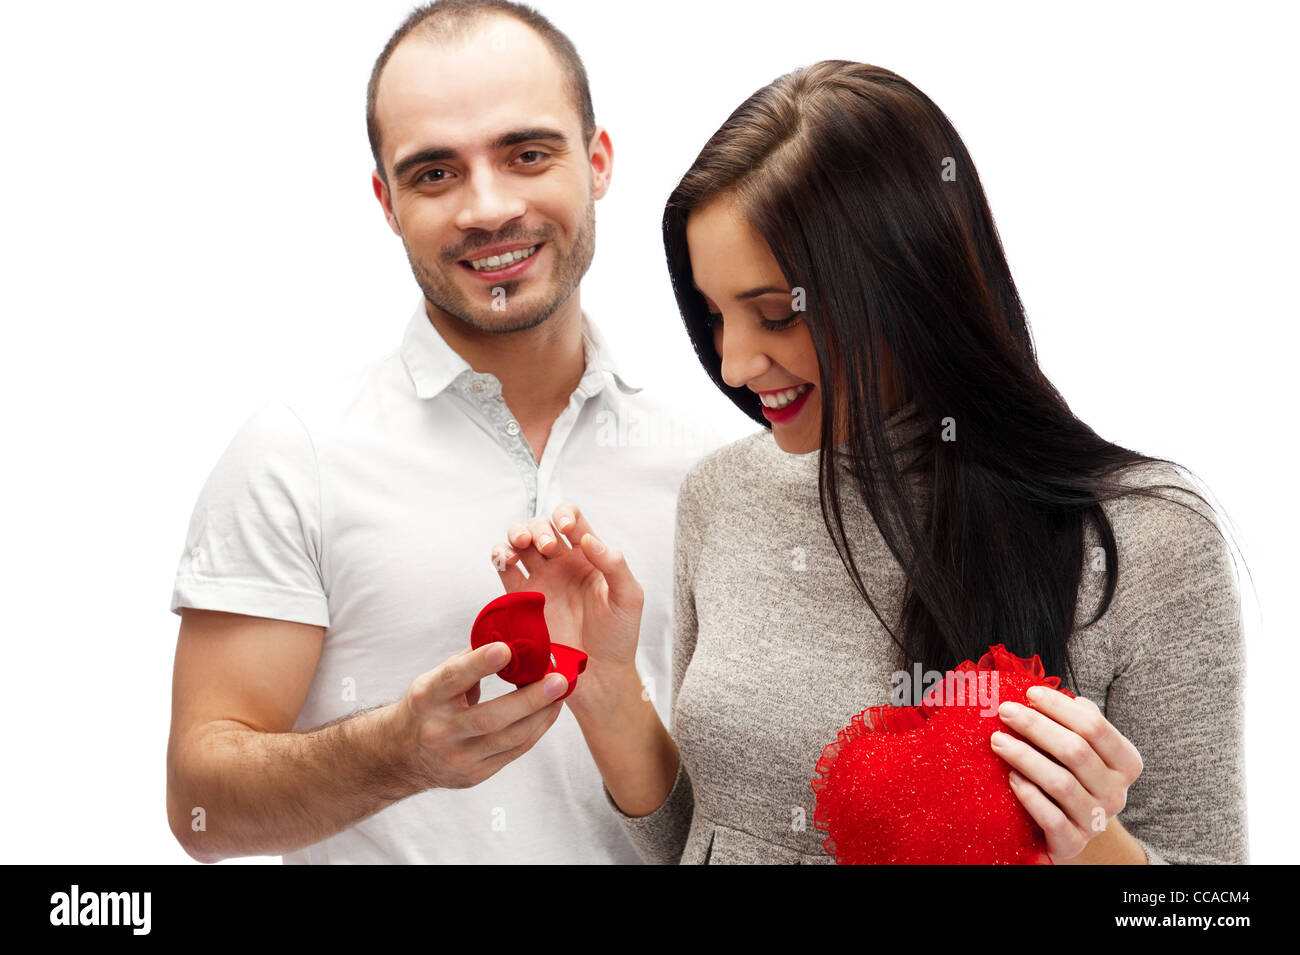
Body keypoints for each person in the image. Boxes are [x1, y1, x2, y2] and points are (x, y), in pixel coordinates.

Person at [491, 60, 1249, 864]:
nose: (737, 364)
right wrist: (608, 685)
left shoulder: (1146, 542)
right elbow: (704, 840)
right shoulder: (723, 493)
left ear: (909, 288)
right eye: (714, 315)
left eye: (776, 314)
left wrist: (1093, 842)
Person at [165, 0, 732, 864]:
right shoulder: (296, 455)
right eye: (435, 174)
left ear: (599, 161)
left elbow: (734, 821)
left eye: (528, 153)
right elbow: (200, 808)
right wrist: (395, 753)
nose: (487, 207)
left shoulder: (716, 461)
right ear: (387, 203)